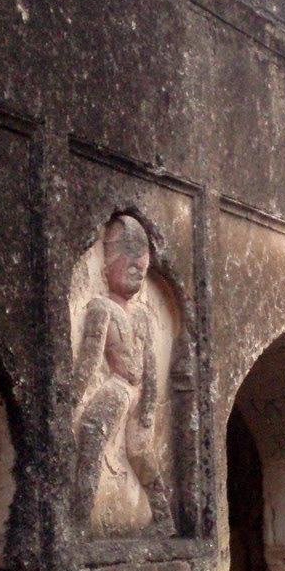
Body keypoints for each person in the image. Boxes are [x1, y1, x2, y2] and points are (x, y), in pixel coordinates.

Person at [72, 216, 169, 532]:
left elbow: (151, 367)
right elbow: (88, 361)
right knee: (91, 430)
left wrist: (149, 409)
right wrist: (72, 396)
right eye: (129, 269)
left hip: (134, 390)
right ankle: (81, 516)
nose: (137, 276)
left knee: (140, 451)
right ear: (106, 270)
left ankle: (163, 517)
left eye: (140, 273)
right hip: (116, 384)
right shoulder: (101, 308)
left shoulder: (141, 314)